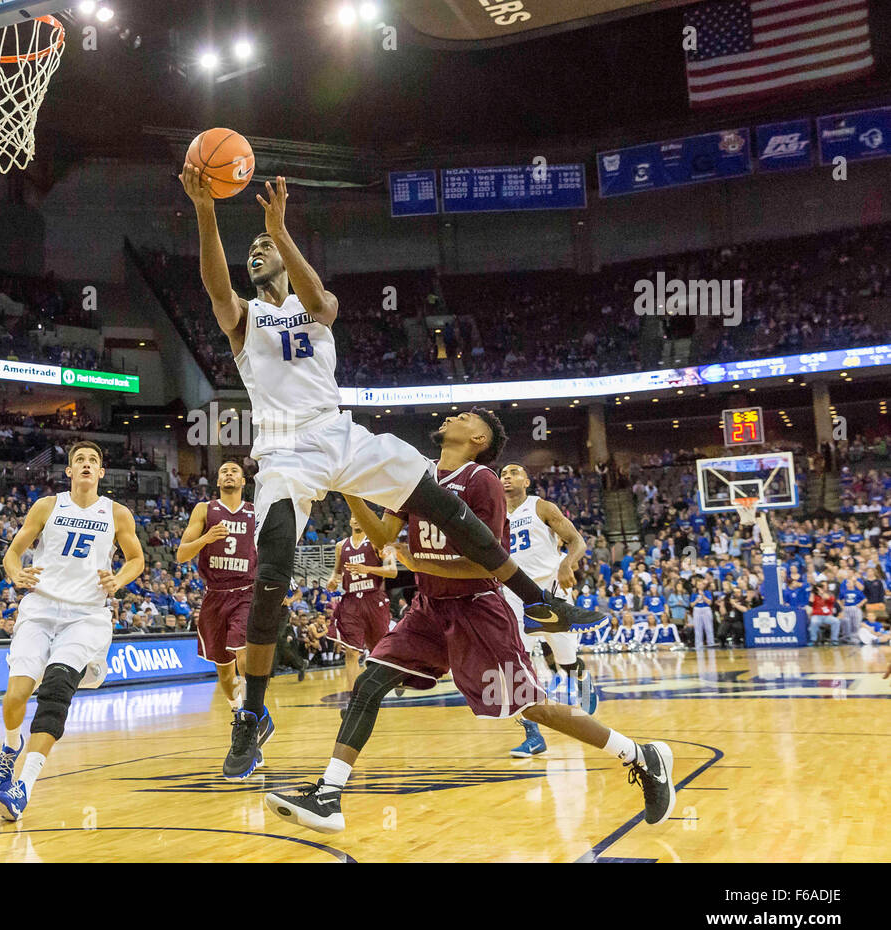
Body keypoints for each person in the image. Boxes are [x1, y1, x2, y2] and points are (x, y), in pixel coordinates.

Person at [179, 165, 604, 779]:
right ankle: (252, 717)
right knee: (271, 568)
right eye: (253, 251)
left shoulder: (312, 307)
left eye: (263, 247)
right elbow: (217, 289)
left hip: (339, 431)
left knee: (447, 506)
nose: (256, 254)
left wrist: (280, 228)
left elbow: (321, 299)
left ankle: (539, 603)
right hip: (283, 450)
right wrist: (207, 211)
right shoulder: (245, 319)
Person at [265, 410, 675, 834]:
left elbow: (488, 566)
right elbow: (384, 538)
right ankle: (329, 795)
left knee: (531, 705)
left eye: (462, 417)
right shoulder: (415, 476)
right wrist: (350, 490)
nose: (451, 417)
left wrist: (415, 560)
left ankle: (640, 756)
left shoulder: (482, 481)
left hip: (477, 610)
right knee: (370, 682)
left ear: (478, 437)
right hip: (429, 609)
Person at [0, 442, 145, 821]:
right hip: (40, 609)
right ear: (70, 472)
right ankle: (11, 747)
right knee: (16, 696)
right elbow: (12, 552)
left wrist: (118, 580)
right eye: (80, 461)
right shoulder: (47, 506)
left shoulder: (118, 514)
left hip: (86, 616)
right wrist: (16, 573)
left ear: (102, 472)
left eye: (94, 460)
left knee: (56, 692)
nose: (87, 465)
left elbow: (137, 559)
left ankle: (23, 786)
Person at [498, 461, 600, 759]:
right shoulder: (493, 515)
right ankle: (533, 735)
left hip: (552, 592)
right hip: (514, 596)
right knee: (513, 667)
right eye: (502, 473)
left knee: (566, 662)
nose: (507, 477)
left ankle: (580, 681)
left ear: (526, 481)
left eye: (514, 472)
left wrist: (568, 563)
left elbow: (577, 541)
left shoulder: (541, 507)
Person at [175, 462, 256, 712]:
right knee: (223, 668)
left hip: (246, 591)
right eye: (224, 471)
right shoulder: (204, 510)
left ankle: (252, 711)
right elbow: (181, 555)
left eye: (234, 471)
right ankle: (236, 706)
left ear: (243, 482)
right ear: (218, 482)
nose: (229, 474)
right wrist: (206, 538)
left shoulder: (256, 511)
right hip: (215, 595)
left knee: (242, 650)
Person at [326, 515, 396, 685]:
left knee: (378, 650)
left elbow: (392, 571)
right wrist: (332, 581)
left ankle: (394, 679)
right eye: (353, 517)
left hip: (373, 597)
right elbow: (337, 572)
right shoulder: (340, 546)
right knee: (351, 651)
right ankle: (353, 700)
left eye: (360, 516)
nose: (357, 519)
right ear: (349, 521)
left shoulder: (379, 541)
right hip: (350, 601)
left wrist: (367, 569)